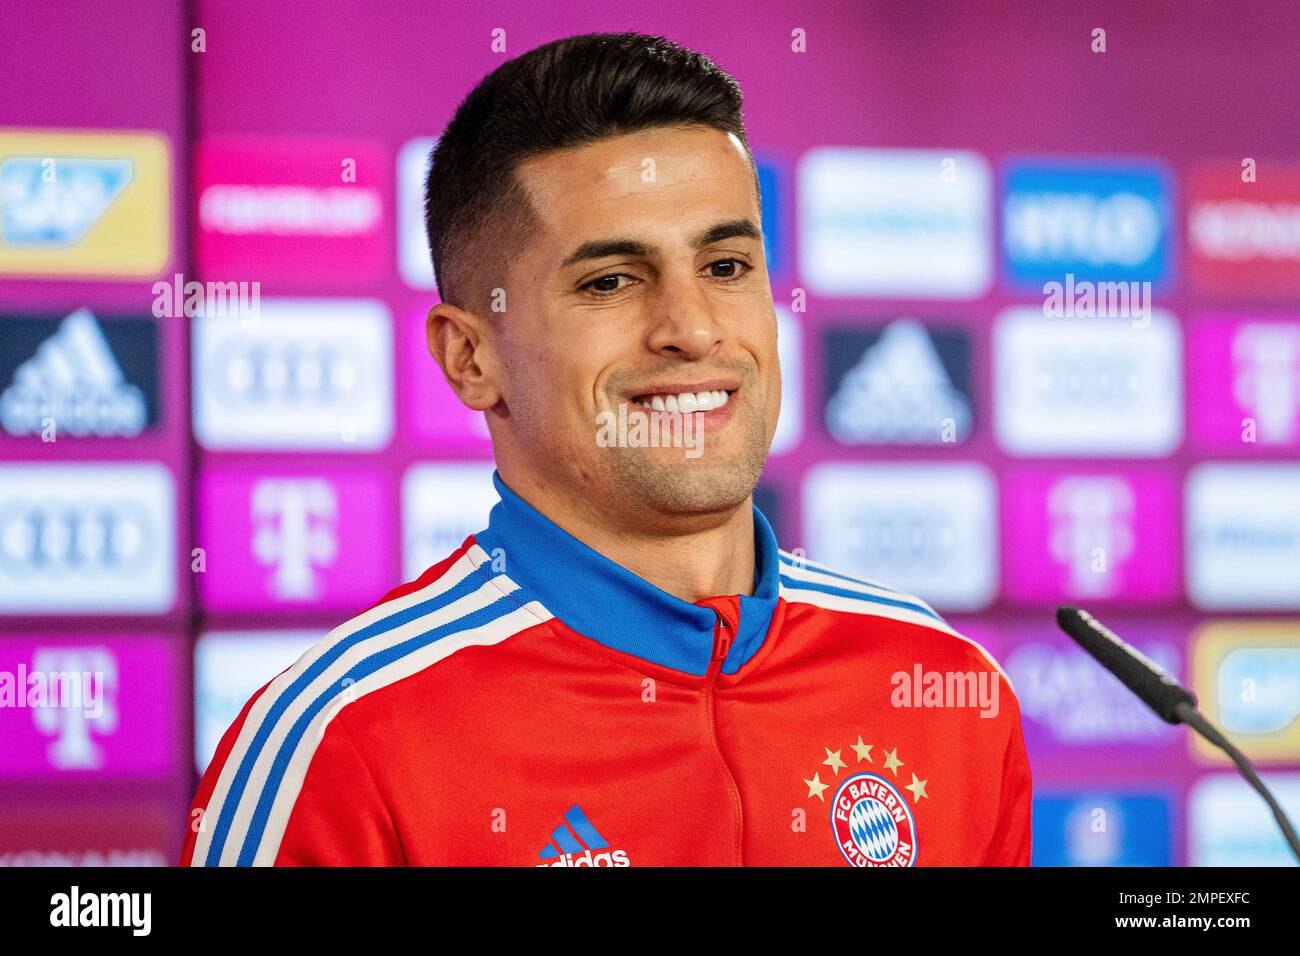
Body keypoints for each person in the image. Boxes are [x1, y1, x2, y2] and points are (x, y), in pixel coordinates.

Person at [182, 31, 1031, 867]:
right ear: (469, 359)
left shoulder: (941, 683)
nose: (692, 329)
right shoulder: (343, 743)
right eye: (610, 282)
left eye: (727, 266)